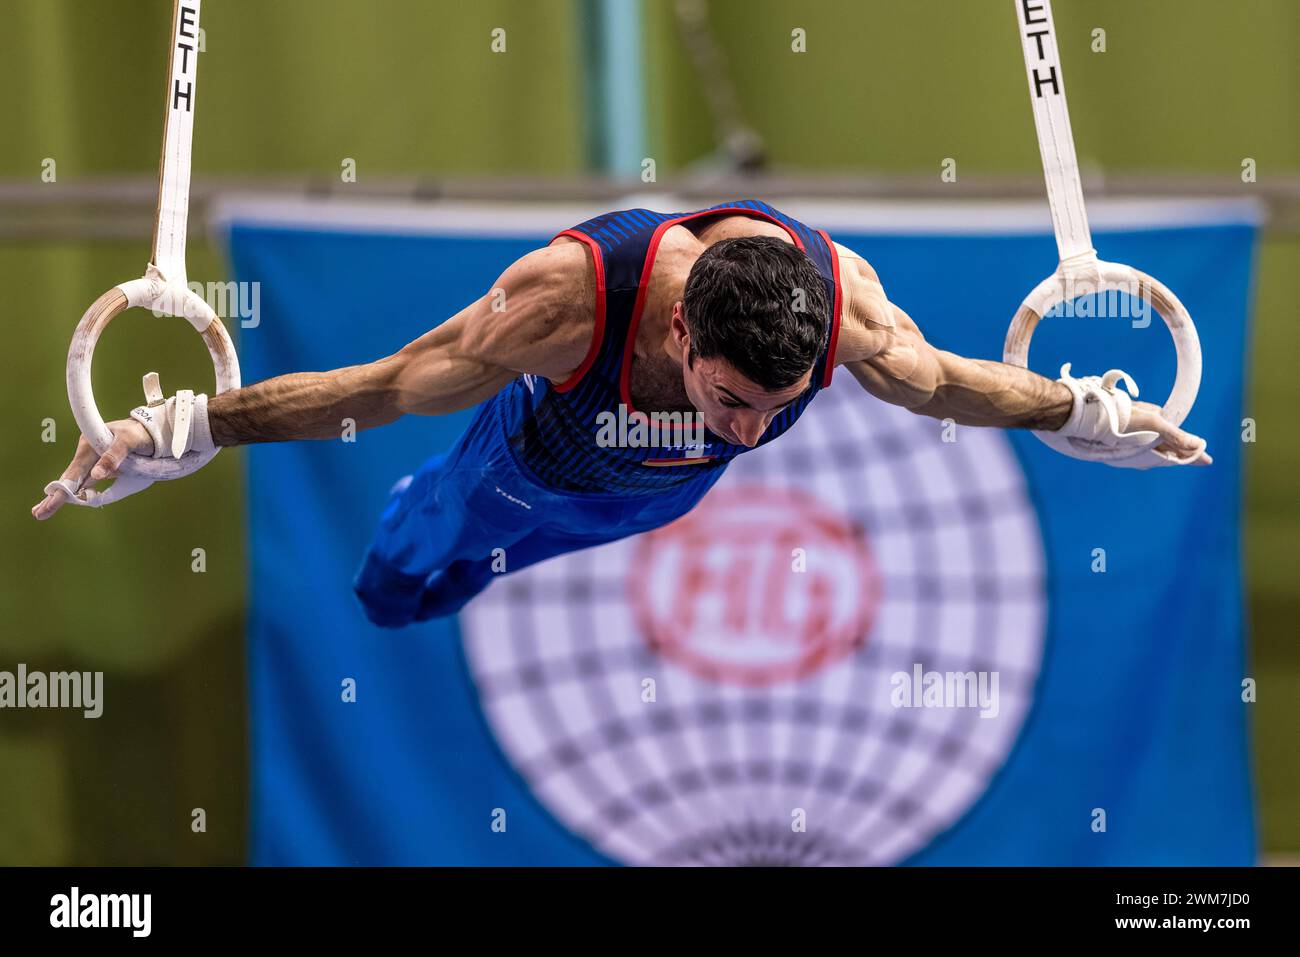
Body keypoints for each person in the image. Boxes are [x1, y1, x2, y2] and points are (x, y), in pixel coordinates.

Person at [32, 200, 1209, 626]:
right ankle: (424, 533)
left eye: (779, 410)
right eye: (732, 399)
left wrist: (1081, 409)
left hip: (653, 496)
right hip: (521, 469)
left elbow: (949, 380)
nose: (754, 431)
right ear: (681, 330)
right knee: (399, 593)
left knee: (682, 481)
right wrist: (187, 428)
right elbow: (386, 387)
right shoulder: (560, 305)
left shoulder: (841, 310)